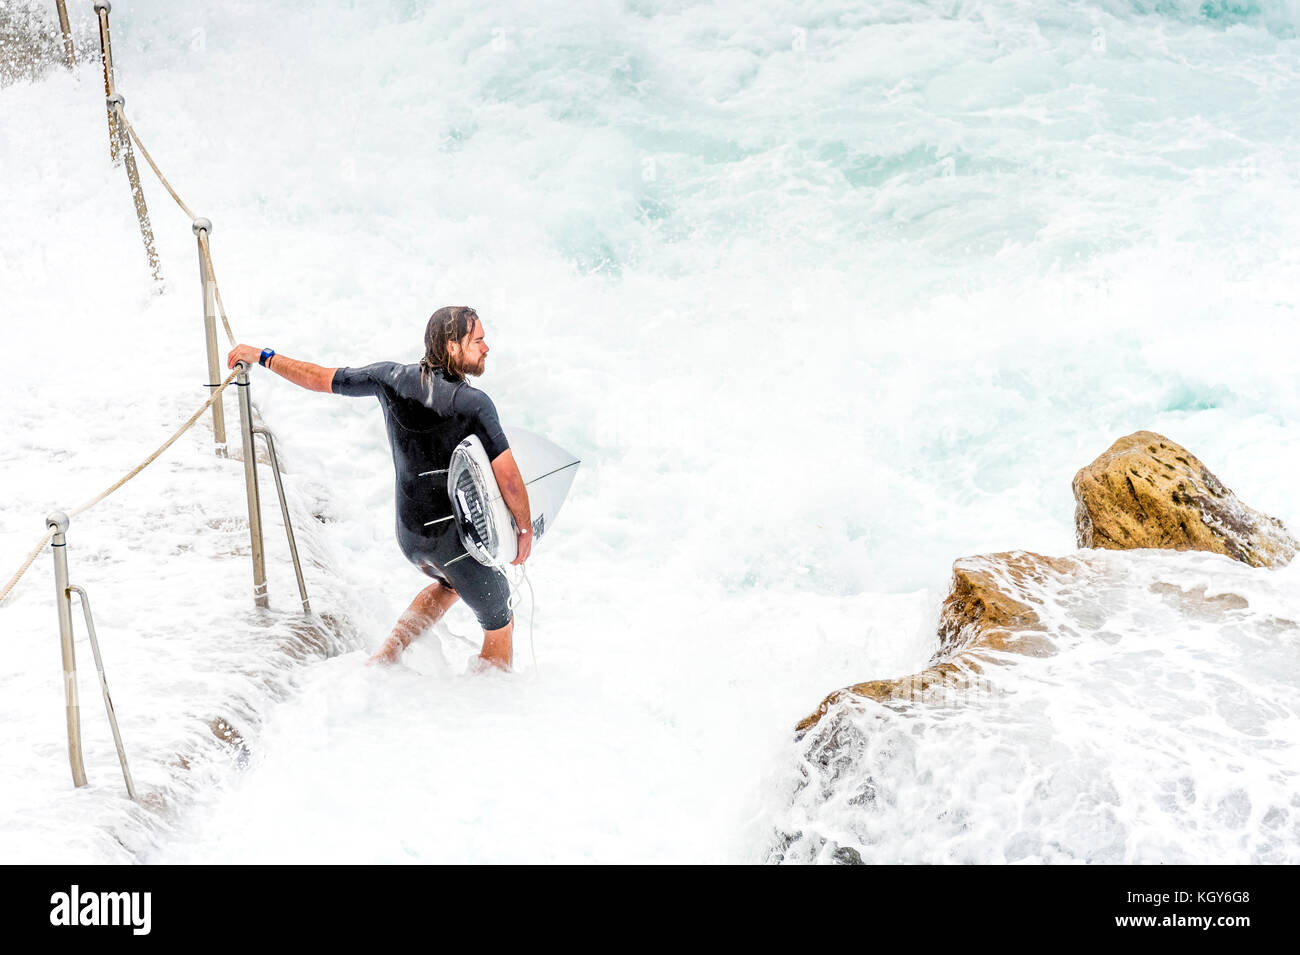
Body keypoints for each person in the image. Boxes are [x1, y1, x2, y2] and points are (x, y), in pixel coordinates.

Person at [225, 306, 531, 670]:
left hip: (411, 538)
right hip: (454, 543)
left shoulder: (390, 378)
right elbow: (509, 479)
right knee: (500, 616)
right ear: (452, 347)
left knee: (450, 584)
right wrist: (523, 531)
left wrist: (263, 357)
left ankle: (382, 664)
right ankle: (493, 704)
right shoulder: (474, 404)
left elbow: (319, 378)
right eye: (478, 340)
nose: (486, 348)